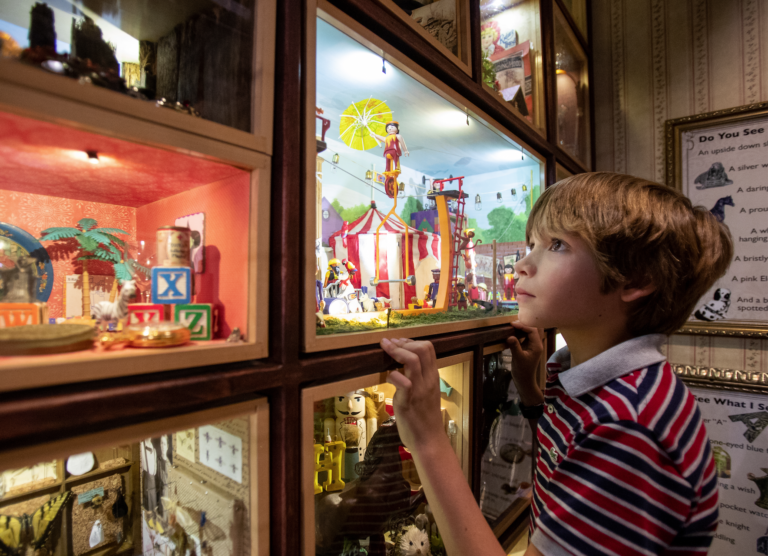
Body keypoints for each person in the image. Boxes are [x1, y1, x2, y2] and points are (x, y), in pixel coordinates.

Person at [380, 172, 732, 556]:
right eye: (532, 243)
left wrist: (429, 442)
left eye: (558, 245)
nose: (522, 265)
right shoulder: (608, 383)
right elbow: (568, 452)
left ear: (635, 280)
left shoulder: (627, 430)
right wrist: (532, 394)